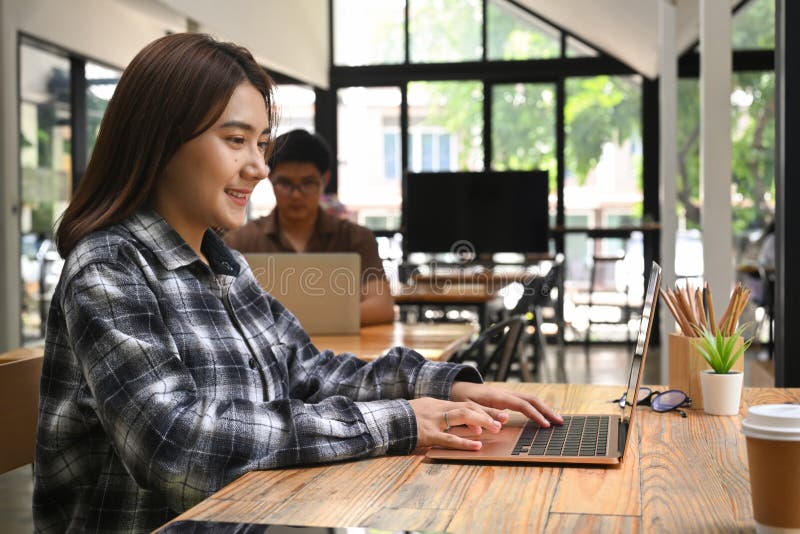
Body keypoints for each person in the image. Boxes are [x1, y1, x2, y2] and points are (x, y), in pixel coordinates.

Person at [33, 33, 562, 533]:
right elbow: (177, 446)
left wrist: (444, 386)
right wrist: (400, 420)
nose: (260, 168)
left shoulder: (224, 265)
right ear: (159, 140)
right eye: (236, 140)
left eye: (262, 144)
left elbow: (307, 371)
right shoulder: (109, 268)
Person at [223, 129, 394, 325]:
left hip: (341, 349)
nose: (296, 195)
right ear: (270, 179)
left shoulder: (355, 238)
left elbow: (381, 306)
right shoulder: (241, 241)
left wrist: (297, 321)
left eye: (308, 183)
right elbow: (224, 308)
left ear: (325, 180)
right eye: (285, 183)